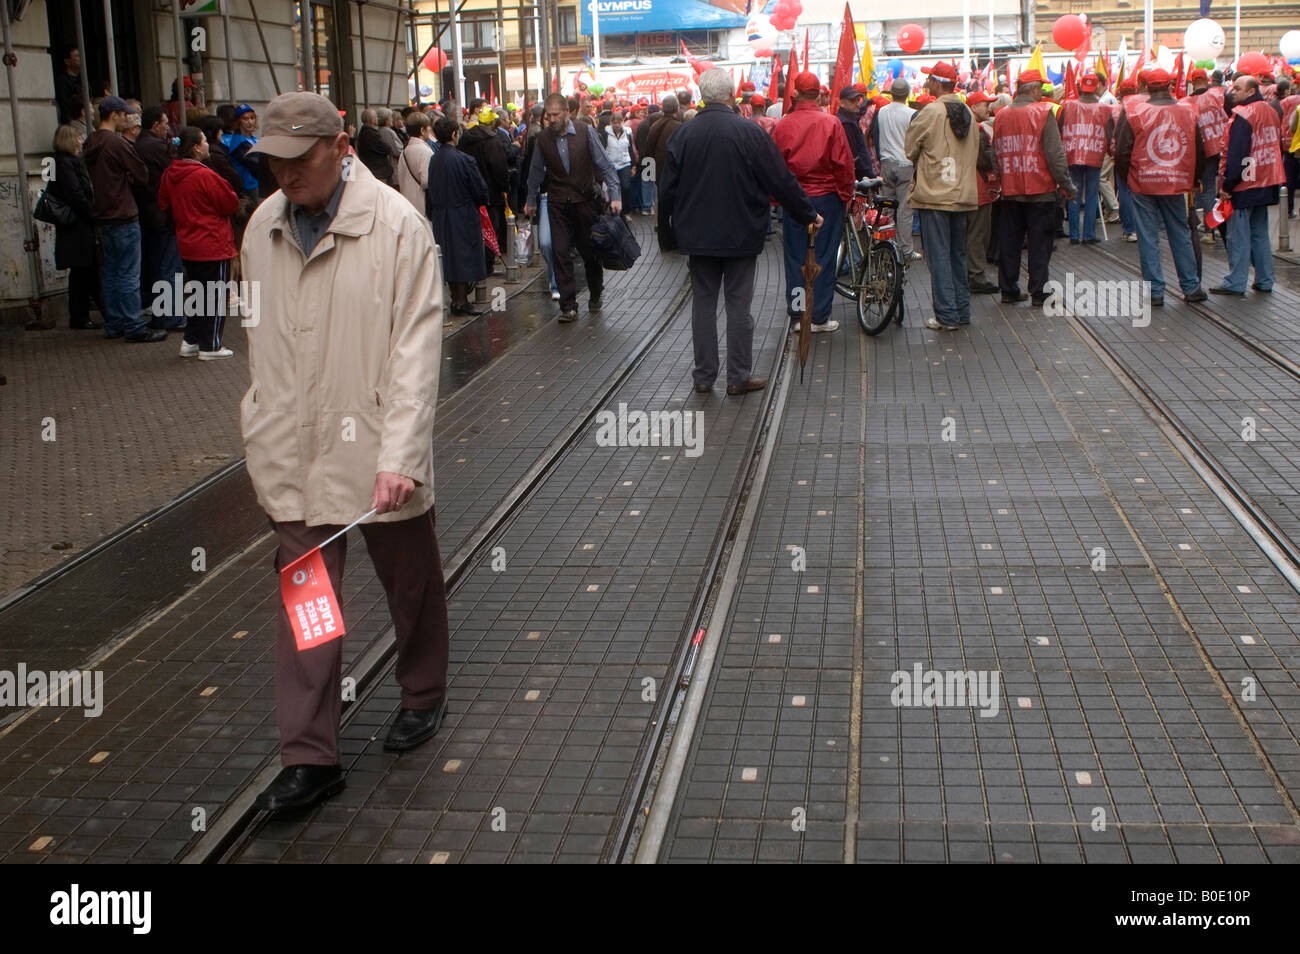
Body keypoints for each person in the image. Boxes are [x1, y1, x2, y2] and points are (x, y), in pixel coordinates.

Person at [239, 91, 452, 812]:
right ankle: (311, 753)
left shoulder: (397, 226)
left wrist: (400, 456)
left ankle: (422, 690)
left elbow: (417, 351)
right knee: (308, 607)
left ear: (340, 148)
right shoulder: (262, 225)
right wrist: (262, 425)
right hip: (294, 458)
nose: (285, 176)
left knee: (410, 582)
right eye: (272, 162)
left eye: (299, 161)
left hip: (376, 453)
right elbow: (260, 344)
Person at [661, 69, 818, 396]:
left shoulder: (684, 134)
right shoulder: (749, 132)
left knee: (702, 306)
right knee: (738, 306)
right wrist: (807, 213)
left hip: (697, 236)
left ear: (703, 95)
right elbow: (779, 179)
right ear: (732, 95)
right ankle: (738, 376)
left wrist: (668, 237)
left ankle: (704, 376)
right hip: (741, 233)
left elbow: (667, 190)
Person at [523, 93, 622, 322]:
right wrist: (530, 200)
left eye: (555, 115)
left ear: (567, 112)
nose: (551, 120)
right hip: (558, 202)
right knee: (559, 251)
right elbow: (535, 172)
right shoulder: (543, 139)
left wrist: (615, 195)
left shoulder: (585, 132)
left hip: (585, 200)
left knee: (589, 252)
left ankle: (595, 291)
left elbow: (605, 164)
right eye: (548, 116)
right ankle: (568, 305)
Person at [1115, 68, 1208, 306]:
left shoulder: (1134, 111)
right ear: (1169, 86)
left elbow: (1123, 150)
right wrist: (1194, 179)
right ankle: (1191, 286)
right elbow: (1199, 149)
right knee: (1180, 233)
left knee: (1148, 237)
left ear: (1146, 87)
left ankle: (1155, 291)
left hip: (1143, 182)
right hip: (1176, 182)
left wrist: (1127, 179)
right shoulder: (1187, 111)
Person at [772, 72, 855, 334]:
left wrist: (778, 199)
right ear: (819, 93)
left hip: (796, 199)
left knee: (796, 257)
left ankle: (798, 315)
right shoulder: (830, 123)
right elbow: (844, 165)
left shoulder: (783, 125)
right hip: (827, 197)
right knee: (825, 256)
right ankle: (819, 315)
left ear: (795, 93)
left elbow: (776, 167)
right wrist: (845, 196)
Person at [84, 97, 167, 343]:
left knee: (111, 271)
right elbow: (141, 172)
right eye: (124, 114)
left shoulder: (92, 141)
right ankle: (133, 325)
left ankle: (116, 322)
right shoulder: (115, 143)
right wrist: (128, 177)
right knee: (129, 272)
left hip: (103, 213)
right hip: (122, 212)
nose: (127, 119)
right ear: (114, 115)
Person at [992, 69, 1077, 306]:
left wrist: (1001, 177)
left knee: (1010, 240)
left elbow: (994, 152)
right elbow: (1054, 153)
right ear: (1035, 89)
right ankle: (1039, 291)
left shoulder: (1000, 115)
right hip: (1040, 189)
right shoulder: (1043, 112)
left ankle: (1008, 289)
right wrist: (1067, 184)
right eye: (1041, 88)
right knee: (1040, 243)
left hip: (1010, 189)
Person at [906, 62, 979, 330]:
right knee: (958, 254)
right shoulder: (969, 112)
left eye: (929, 80)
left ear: (938, 83)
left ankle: (946, 315)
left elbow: (910, 149)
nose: (926, 84)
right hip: (964, 193)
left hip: (935, 193)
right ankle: (961, 311)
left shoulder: (930, 112)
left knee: (938, 256)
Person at [158, 127, 241, 358]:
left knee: (196, 294)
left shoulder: (170, 173)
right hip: (212, 242)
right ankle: (211, 345)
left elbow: (164, 202)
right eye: (204, 141)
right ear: (196, 147)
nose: (207, 145)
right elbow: (229, 203)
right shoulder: (205, 175)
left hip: (187, 241)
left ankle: (191, 340)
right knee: (215, 295)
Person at [1213, 73, 1284, 295]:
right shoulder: (1270, 110)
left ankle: (1235, 282)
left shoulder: (1243, 115)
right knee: (1259, 233)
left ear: (1251, 91)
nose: (1232, 91)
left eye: (1237, 88)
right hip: (1267, 178)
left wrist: (1228, 185)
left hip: (1246, 183)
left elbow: (1238, 154)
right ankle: (1264, 279)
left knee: (1238, 236)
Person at [427, 116, 490, 315]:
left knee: (448, 255)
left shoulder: (434, 159)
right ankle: (461, 300)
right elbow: (479, 189)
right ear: (454, 134)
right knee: (462, 255)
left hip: (441, 214)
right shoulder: (463, 159)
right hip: (461, 212)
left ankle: (456, 298)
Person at [134, 106, 185, 331]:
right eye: (165, 124)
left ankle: (161, 312)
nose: (167, 128)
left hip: (149, 213)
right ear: (155, 125)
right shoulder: (154, 147)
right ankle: (169, 316)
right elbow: (172, 172)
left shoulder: (140, 145)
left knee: (157, 264)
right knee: (168, 266)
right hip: (161, 214)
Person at [49, 124, 102, 330]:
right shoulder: (66, 164)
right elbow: (75, 193)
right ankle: (80, 316)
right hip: (77, 223)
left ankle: (82, 314)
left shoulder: (54, 162)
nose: (81, 141)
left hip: (70, 223)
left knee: (82, 271)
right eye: (78, 138)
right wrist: (92, 213)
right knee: (84, 270)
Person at [1059, 72, 1112, 245]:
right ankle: (1088, 233)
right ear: (1096, 87)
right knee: (1091, 194)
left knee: (1073, 193)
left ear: (1081, 87)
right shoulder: (1104, 109)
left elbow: (1060, 129)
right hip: (1095, 154)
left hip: (1073, 154)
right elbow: (1110, 134)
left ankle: (1074, 234)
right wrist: (1111, 153)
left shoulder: (1067, 106)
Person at [872, 77, 921, 262]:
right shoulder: (912, 114)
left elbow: (875, 137)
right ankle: (906, 250)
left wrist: (882, 156)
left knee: (887, 209)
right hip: (906, 165)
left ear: (891, 93)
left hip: (887, 164)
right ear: (907, 94)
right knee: (905, 211)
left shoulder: (881, 112)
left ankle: (886, 246)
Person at [459, 106, 510, 274]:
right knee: (490, 228)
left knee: (474, 229)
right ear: (493, 123)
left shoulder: (465, 140)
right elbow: (499, 168)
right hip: (491, 193)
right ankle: (487, 265)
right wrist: (504, 186)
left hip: (469, 193)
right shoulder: (493, 141)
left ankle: (477, 263)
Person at [1185, 67, 1230, 234]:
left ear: (1193, 82)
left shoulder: (1187, 103)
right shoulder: (1219, 95)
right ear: (1206, 80)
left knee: (1207, 188)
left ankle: (1210, 227)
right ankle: (1219, 223)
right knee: (1222, 187)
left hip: (1204, 152)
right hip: (1224, 146)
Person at [964, 91, 1001, 295]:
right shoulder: (977, 130)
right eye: (985, 104)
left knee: (972, 234)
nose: (989, 108)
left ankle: (972, 273)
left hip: (970, 187)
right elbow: (986, 160)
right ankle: (976, 275)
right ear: (974, 106)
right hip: (980, 188)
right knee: (978, 234)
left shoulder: (969, 127)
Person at [396, 110, 433, 215]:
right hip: (422, 205)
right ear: (422, 130)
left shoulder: (404, 151)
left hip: (407, 203)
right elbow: (426, 181)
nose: (430, 129)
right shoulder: (426, 151)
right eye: (428, 127)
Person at [644, 95, 683, 193]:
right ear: (677, 108)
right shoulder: (679, 127)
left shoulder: (655, 125)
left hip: (659, 171)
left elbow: (649, 149)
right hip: (674, 172)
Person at [601, 110, 635, 215]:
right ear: (611, 122)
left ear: (622, 122)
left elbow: (631, 149)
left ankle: (625, 210)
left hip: (625, 163)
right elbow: (602, 149)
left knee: (626, 187)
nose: (617, 124)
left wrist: (633, 165)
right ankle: (613, 209)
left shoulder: (628, 133)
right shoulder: (606, 134)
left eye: (619, 122)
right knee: (612, 188)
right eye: (614, 122)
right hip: (611, 166)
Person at [225, 104, 262, 198]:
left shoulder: (254, 139)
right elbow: (256, 163)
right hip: (251, 186)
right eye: (245, 119)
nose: (250, 122)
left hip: (260, 184)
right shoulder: (238, 142)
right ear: (239, 122)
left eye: (252, 118)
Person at [356, 107, 399, 185]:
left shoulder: (364, 132)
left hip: (374, 170)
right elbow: (386, 149)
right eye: (376, 117)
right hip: (378, 172)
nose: (377, 119)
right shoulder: (371, 134)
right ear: (372, 119)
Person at [836, 85, 871, 179]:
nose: (857, 104)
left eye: (858, 100)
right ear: (842, 103)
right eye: (852, 101)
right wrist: (869, 175)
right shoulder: (846, 124)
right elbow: (854, 156)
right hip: (857, 178)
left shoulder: (851, 119)